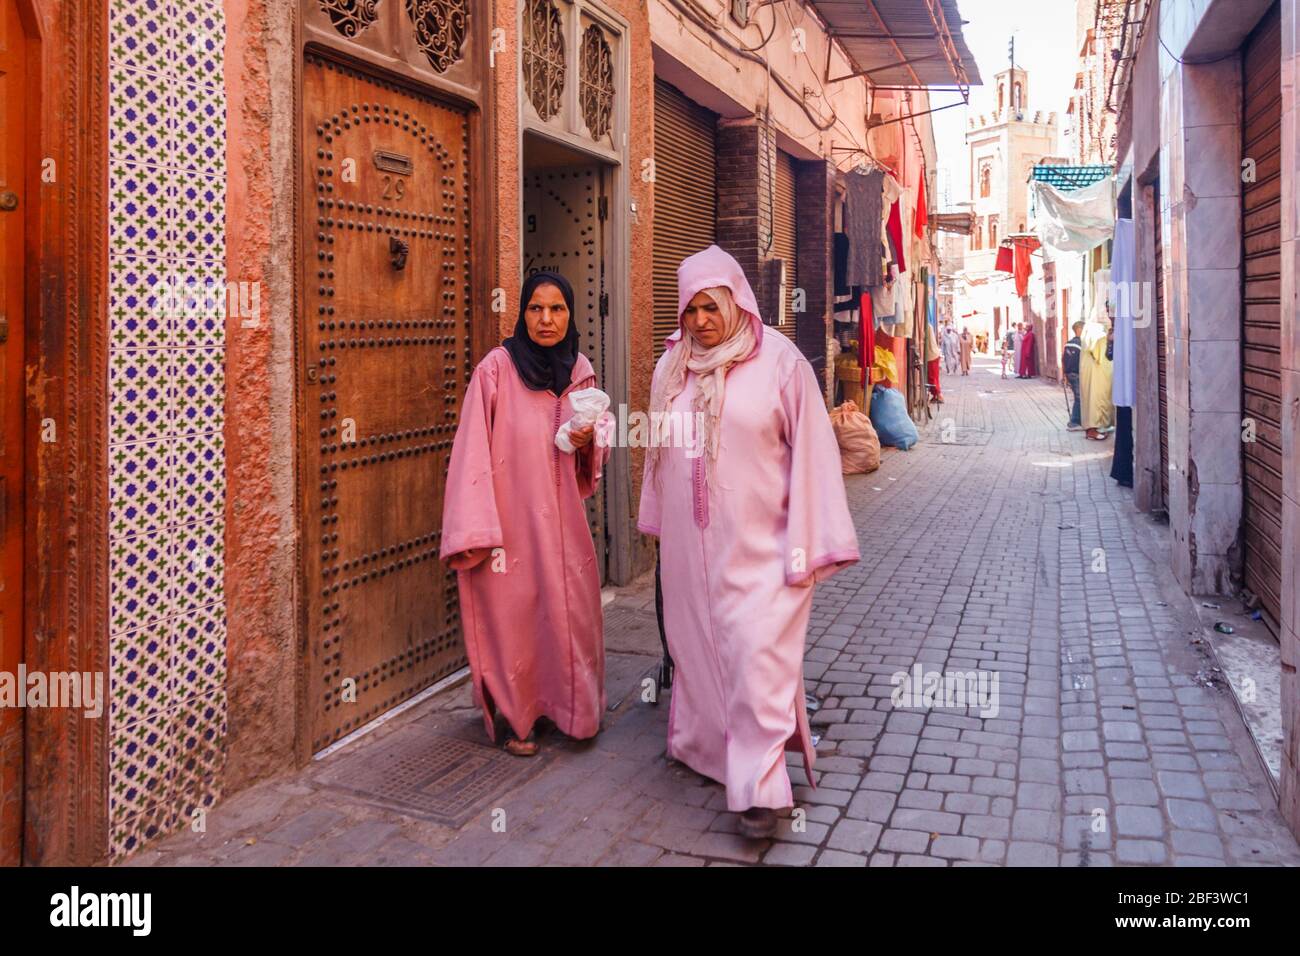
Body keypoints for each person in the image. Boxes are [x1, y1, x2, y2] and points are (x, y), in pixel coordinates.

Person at [638, 245, 859, 840]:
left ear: (736, 301)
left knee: (757, 659)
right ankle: (708, 751)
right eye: (691, 310)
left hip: (765, 549)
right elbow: (659, 457)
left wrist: (813, 541)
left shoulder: (780, 362)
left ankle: (761, 793)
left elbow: (815, 451)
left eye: (711, 306)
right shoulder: (672, 369)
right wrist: (657, 522)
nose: (701, 321)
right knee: (699, 652)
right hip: (691, 550)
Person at [440, 271, 609, 757]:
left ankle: (575, 712)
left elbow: (601, 426)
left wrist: (590, 438)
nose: (547, 319)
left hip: (564, 527)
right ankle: (519, 720)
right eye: (536, 308)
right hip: (510, 525)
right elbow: (472, 446)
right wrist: (475, 528)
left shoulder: (579, 368)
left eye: (557, 309)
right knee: (514, 617)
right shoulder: (496, 369)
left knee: (569, 614)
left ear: (571, 313)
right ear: (522, 312)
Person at [1080, 315, 1114, 440]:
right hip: (1096, 375)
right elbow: (1102, 354)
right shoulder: (1097, 337)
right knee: (1095, 400)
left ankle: (1097, 427)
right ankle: (1093, 430)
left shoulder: (1089, 336)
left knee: (1094, 400)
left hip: (1094, 373)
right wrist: (1108, 339)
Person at [1062, 320, 1084, 430]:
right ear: (1079, 329)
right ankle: (1075, 421)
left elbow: (1063, 359)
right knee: (1079, 397)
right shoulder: (1081, 344)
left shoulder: (1068, 343)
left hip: (1069, 373)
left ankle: (1079, 419)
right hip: (1077, 373)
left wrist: (1064, 375)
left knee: (1078, 396)